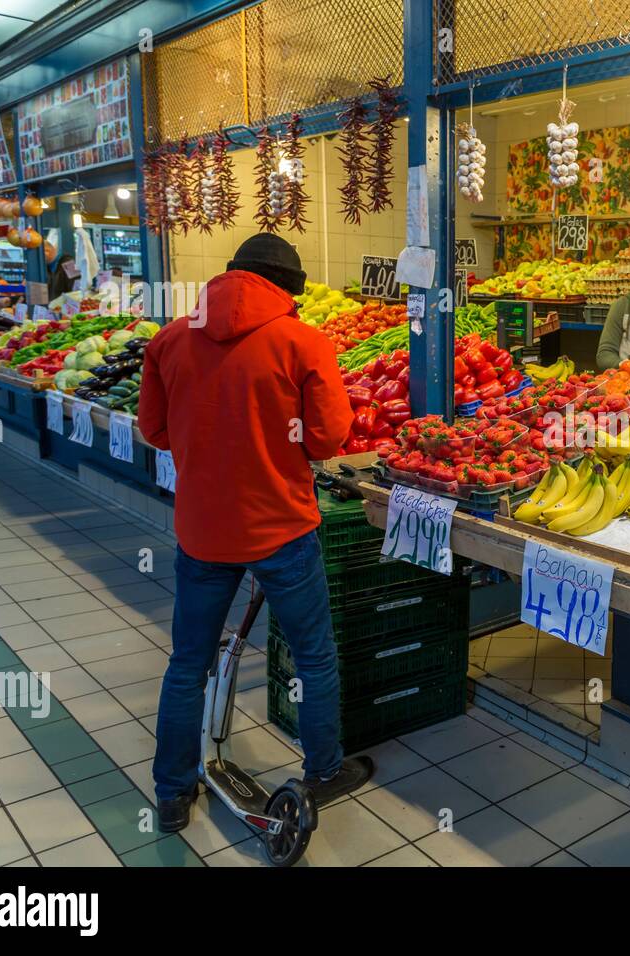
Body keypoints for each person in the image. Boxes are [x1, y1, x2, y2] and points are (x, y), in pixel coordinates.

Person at [138, 233, 367, 832]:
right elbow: (327, 440)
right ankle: (323, 770)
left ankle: (171, 793)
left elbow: (154, 431)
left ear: (230, 274)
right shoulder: (303, 342)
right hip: (283, 528)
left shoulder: (169, 340)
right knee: (314, 656)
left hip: (202, 530)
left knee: (188, 663)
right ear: (288, 291)